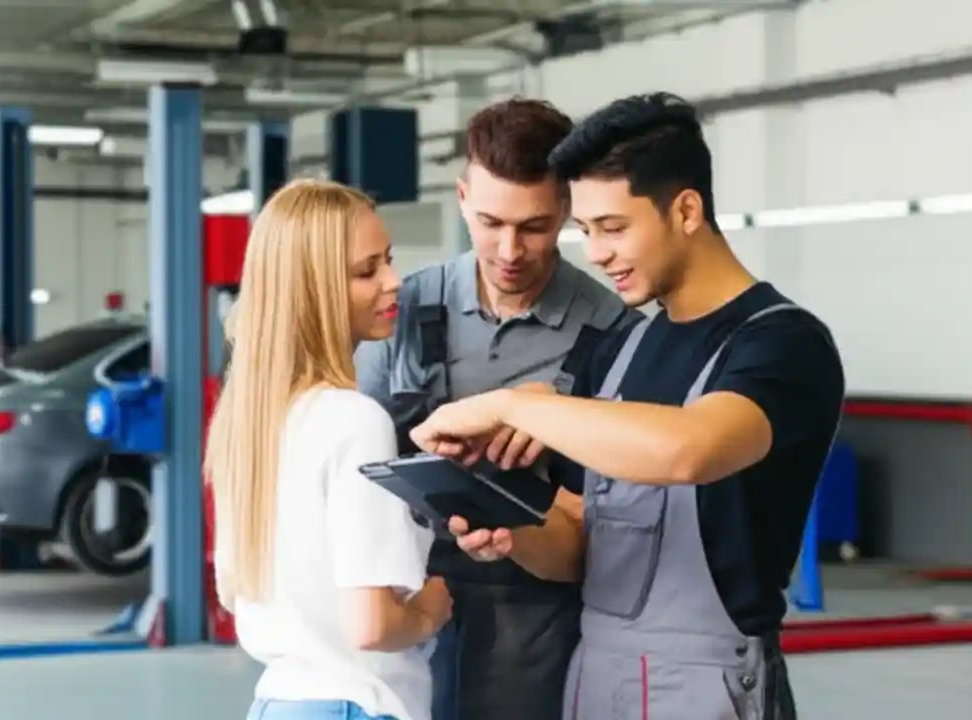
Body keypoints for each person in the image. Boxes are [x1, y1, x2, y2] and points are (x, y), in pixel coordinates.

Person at [408, 92, 847, 720]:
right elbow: (581, 545)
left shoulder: (782, 343)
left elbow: (688, 449)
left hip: (708, 686)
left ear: (687, 210)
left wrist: (513, 405)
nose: (596, 253)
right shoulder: (621, 348)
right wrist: (508, 526)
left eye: (614, 228)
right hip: (597, 676)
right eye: (584, 230)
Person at [354, 98, 639, 720]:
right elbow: (353, 457)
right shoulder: (402, 307)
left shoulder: (615, 333)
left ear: (566, 208)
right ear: (461, 199)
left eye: (534, 226)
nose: (510, 249)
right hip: (406, 595)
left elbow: (622, 511)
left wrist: (557, 420)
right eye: (490, 222)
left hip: (533, 615)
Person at [207, 179, 453, 720]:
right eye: (367, 272)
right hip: (355, 704)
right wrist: (434, 606)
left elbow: (238, 591)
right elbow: (374, 626)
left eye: (388, 261)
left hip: (279, 702)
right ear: (312, 289)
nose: (393, 283)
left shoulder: (247, 421)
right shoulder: (353, 419)